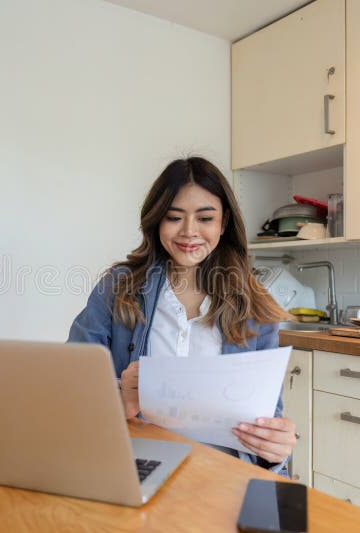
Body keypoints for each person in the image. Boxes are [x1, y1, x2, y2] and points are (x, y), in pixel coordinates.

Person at [67, 156, 296, 475]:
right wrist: (121, 399)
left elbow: (267, 428)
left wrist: (274, 451)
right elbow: (70, 391)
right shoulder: (118, 288)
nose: (189, 232)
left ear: (223, 222)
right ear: (156, 220)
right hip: (133, 465)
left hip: (223, 475)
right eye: (174, 217)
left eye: (205, 218)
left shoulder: (254, 306)